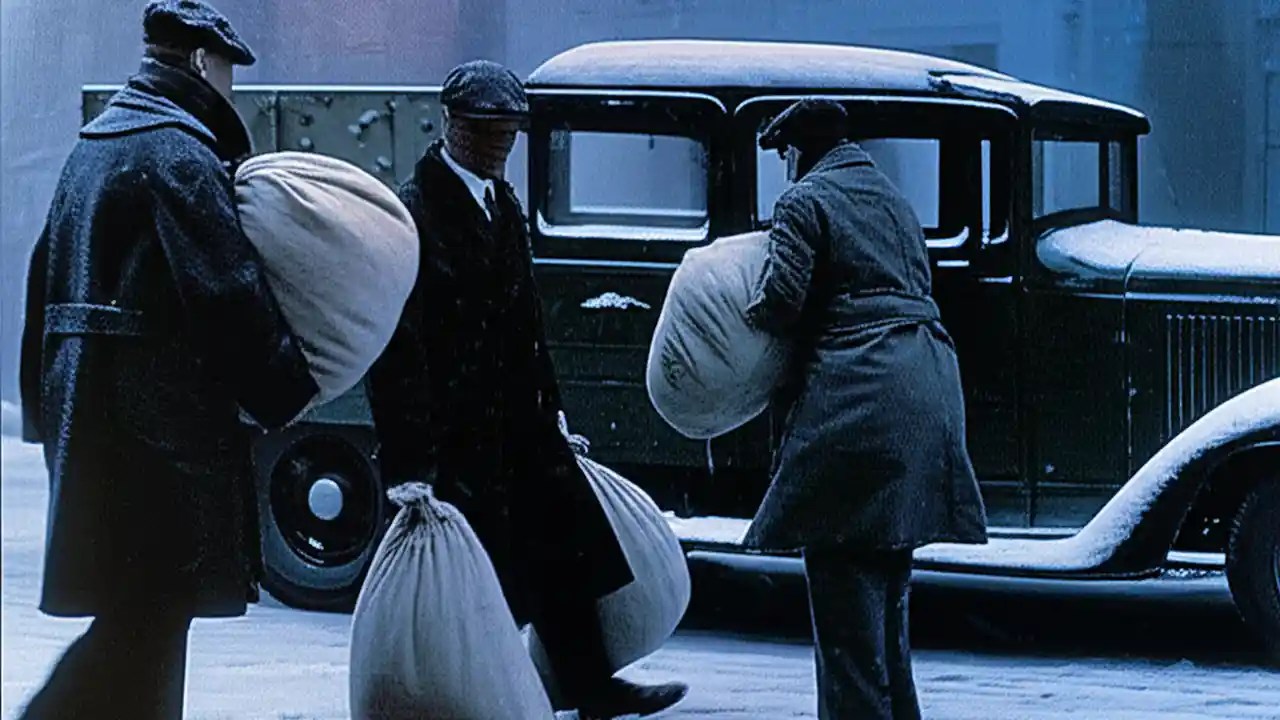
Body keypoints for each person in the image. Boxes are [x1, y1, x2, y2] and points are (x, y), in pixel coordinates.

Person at [16, 2, 319, 718]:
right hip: (160, 441)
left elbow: (44, 279)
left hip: (95, 424)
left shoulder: (98, 144)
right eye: (227, 73)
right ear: (198, 64)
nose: (232, 91)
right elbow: (226, 294)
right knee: (149, 616)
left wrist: (44, 411)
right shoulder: (178, 156)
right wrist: (285, 388)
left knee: (142, 616)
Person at [367, 60, 688, 719]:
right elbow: (398, 347)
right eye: (486, 132)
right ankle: (479, 700)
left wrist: (554, 410)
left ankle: (589, 687)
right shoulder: (415, 212)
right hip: (456, 433)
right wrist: (410, 463)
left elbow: (526, 325)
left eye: (508, 134)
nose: (497, 147)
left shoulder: (501, 204)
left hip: (522, 427)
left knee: (564, 562)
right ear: (451, 125)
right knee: (476, 585)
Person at [743, 98, 990, 720]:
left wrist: (730, 315)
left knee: (844, 603)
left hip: (858, 404)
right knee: (888, 606)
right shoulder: (891, 197)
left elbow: (781, 303)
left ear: (796, 152)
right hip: (927, 389)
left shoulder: (805, 200)